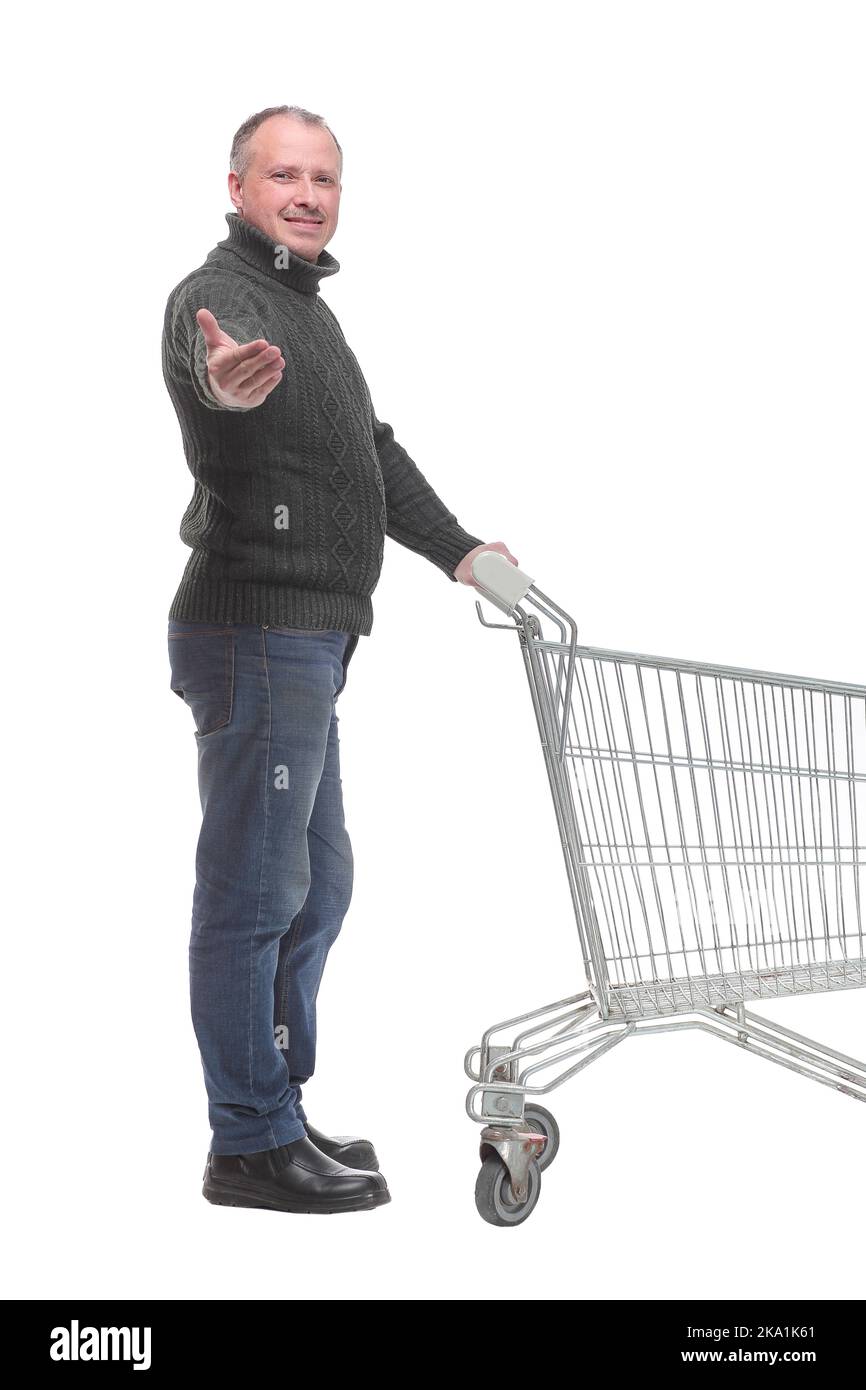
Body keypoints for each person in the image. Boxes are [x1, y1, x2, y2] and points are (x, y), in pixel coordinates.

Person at [162, 104, 519, 1216]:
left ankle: (273, 1103)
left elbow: (367, 451)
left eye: (324, 177)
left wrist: (456, 548)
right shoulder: (216, 300)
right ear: (236, 187)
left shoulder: (311, 315)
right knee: (256, 890)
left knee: (317, 882)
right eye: (283, 175)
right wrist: (221, 386)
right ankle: (249, 1141)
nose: (306, 193)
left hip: (311, 636)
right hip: (256, 628)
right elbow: (206, 372)